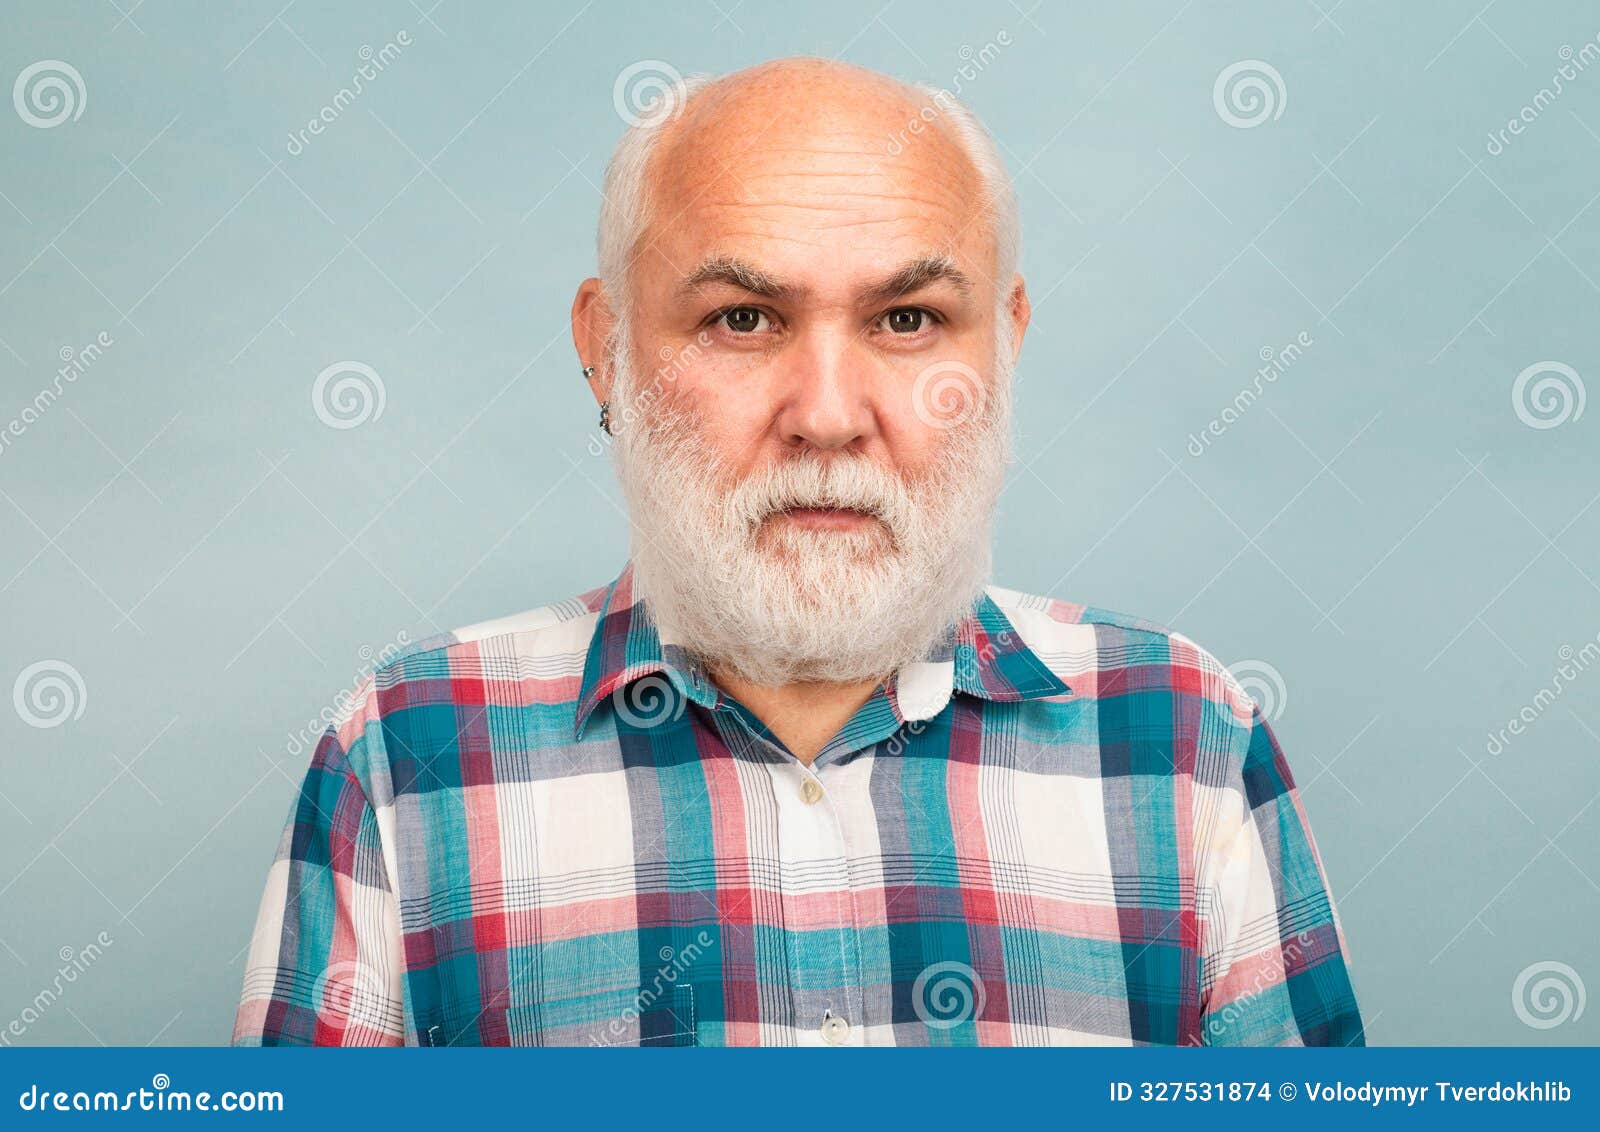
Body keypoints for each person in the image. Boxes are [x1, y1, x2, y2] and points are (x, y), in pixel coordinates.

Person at [233, 56, 1362, 1047]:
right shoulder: (404, 754)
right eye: (742, 319)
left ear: (1003, 346)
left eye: (907, 319)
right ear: (605, 350)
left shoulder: (1183, 740)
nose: (826, 416)